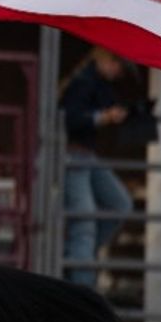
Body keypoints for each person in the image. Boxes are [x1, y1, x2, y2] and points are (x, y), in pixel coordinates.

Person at [59, 47, 133, 288]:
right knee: (85, 218)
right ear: (105, 59)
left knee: (119, 204)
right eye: (117, 63)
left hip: (85, 156)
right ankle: (81, 282)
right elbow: (69, 118)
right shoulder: (83, 82)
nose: (118, 71)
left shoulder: (95, 83)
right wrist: (103, 117)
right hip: (73, 154)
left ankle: (80, 257)